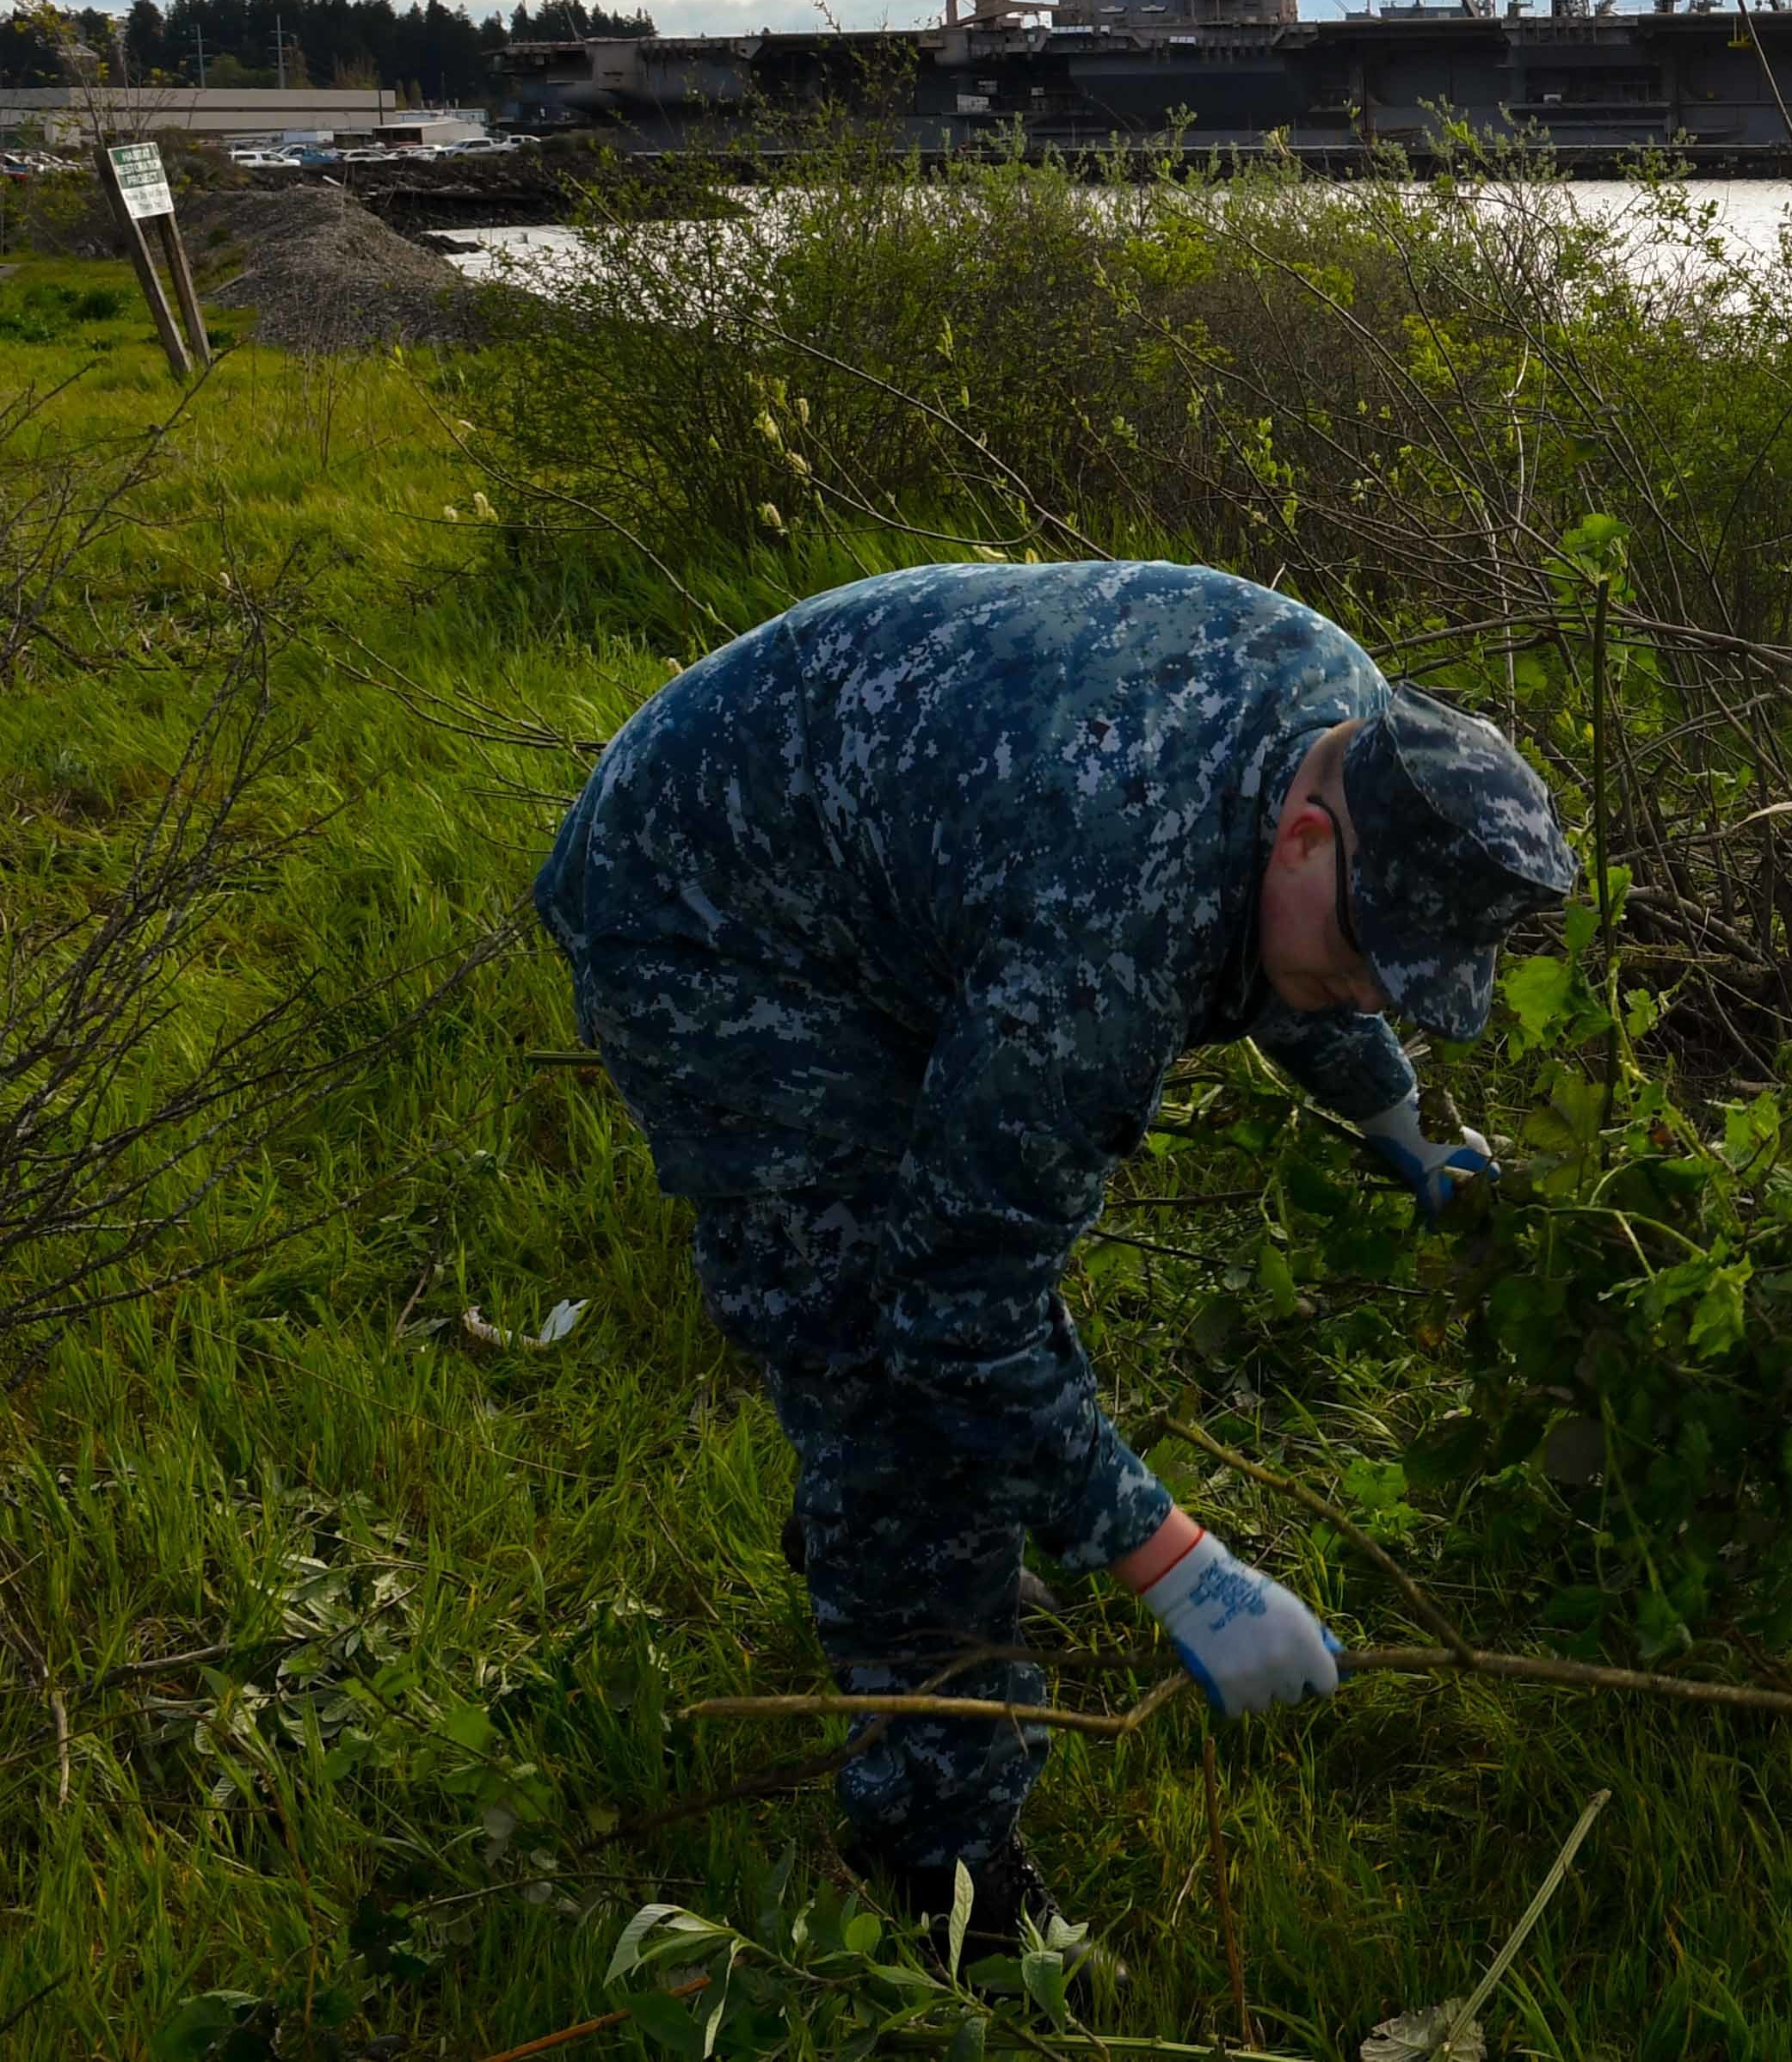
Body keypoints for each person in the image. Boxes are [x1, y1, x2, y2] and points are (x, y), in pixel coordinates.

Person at [535, 560, 1575, 1942]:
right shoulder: (1101, 924)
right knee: (893, 1377)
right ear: (1310, 837)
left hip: (882, 863)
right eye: (1375, 960)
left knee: (940, 1282)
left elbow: (1308, 963)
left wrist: (1400, 1123)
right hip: (711, 907)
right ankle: (942, 1868)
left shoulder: (1353, 734)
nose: (1371, 991)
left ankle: (865, 1540)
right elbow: (962, 1316)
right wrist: (1182, 1568)